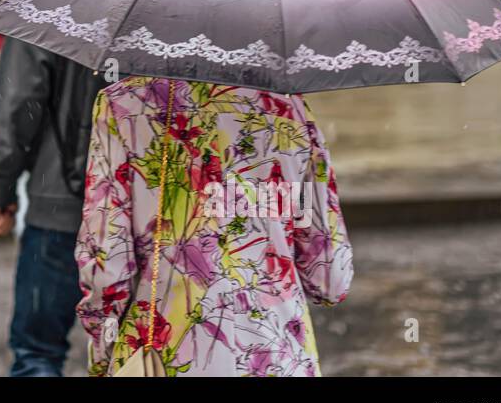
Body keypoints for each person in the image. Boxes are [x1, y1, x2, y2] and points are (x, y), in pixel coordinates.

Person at [76, 77, 353, 377]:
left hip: (165, 352)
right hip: (277, 349)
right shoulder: (289, 110)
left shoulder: (122, 105)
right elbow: (328, 278)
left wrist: (104, 352)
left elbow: (107, 257)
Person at [0, 38, 108, 376]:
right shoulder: (180, 0)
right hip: (148, 217)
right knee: (138, 353)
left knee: (38, 352)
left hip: (59, 205)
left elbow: (20, 101)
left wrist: (1, 189)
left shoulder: (51, 2)